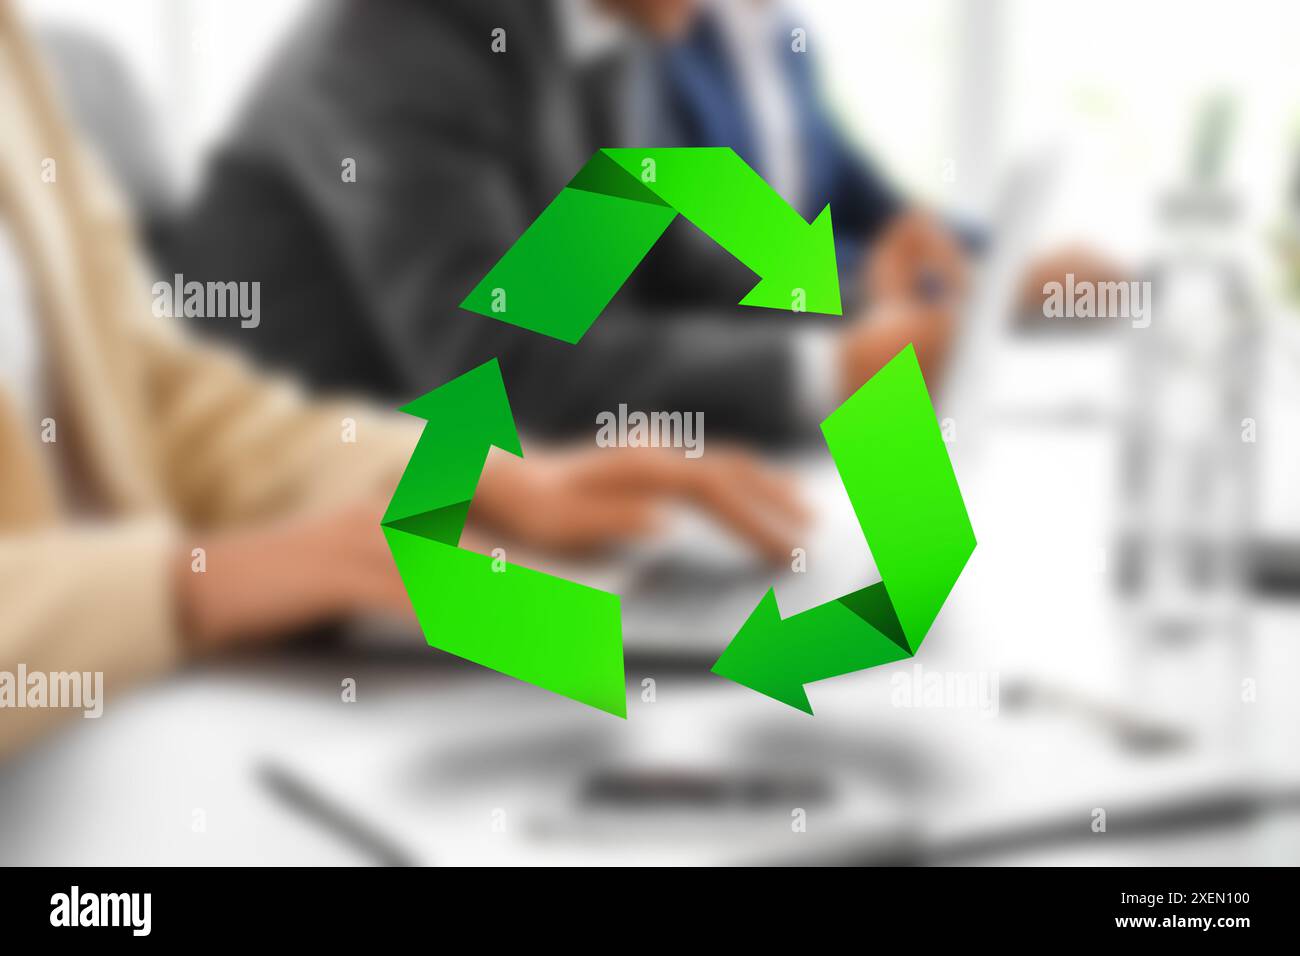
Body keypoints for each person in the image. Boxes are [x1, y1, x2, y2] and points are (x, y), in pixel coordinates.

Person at [0, 0, 804, 759]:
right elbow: (502, 354)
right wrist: (197, 583)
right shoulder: (398, 38)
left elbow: (153, 397)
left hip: (156, 701)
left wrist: (468, 479)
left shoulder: (585, 55)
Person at [174, 0, 960, 445]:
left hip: (493, 485)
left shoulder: (598, 34)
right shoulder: (399, 36)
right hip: (340, 529)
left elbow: (671, 265)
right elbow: (490, 364)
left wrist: (861, 307)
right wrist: (825, 373)